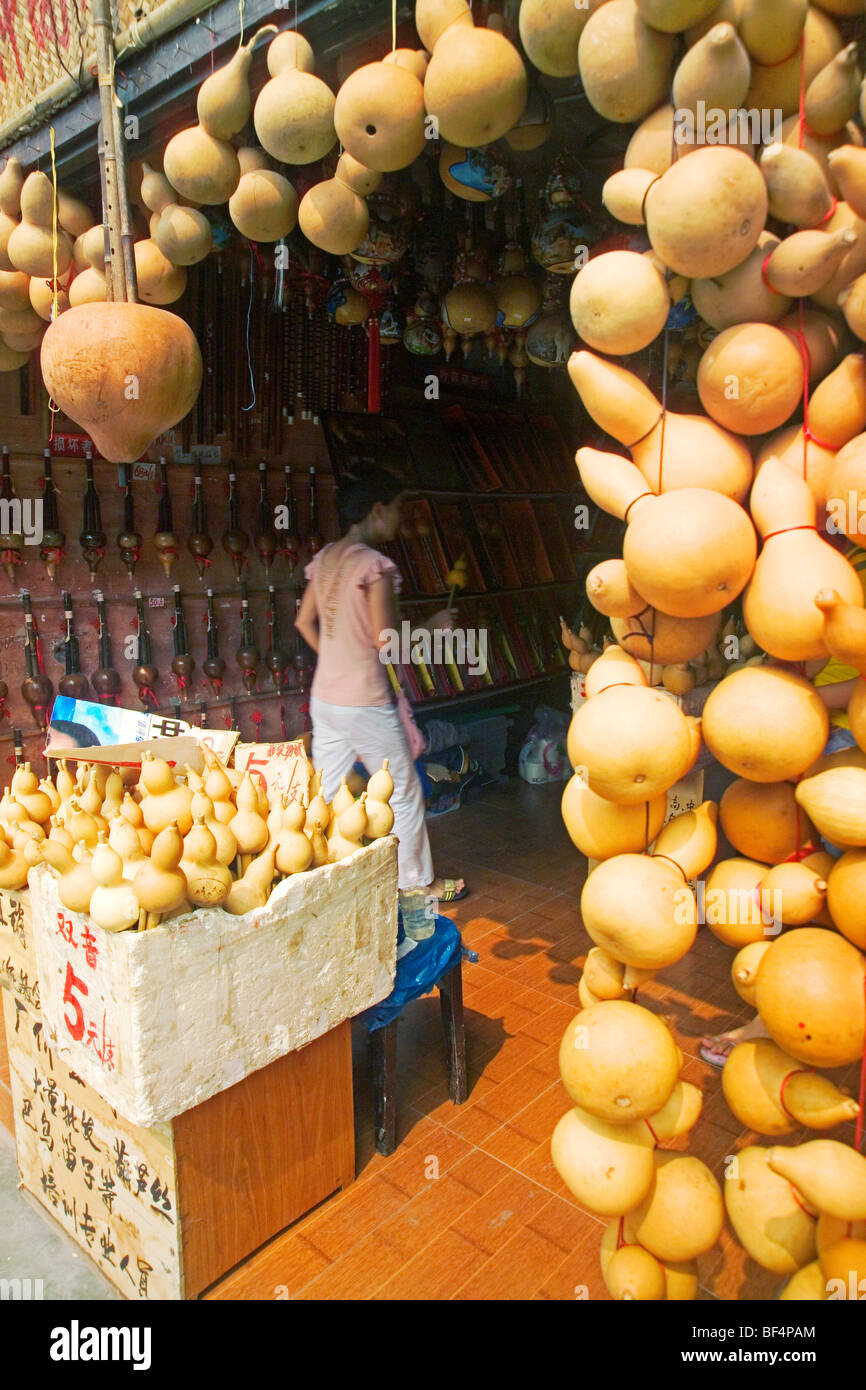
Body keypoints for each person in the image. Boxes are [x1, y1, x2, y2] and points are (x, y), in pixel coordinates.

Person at [294, 466, 467, 904]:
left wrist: (334, 657)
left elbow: (303, 622)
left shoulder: (328, 557)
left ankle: (324, 876)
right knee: (405, 791)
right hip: (364, 700)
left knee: (328, 791)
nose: (400, 520)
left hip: (325, 697)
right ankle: (417, 885)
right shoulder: (375, 566)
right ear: (376, 510)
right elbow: (386, 641)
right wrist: (434, 624)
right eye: (397, 509)